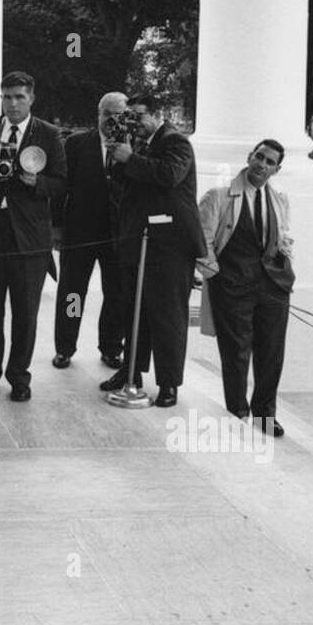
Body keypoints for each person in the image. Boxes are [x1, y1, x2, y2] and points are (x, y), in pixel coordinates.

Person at [0, 71, 67, 402]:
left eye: (19, 97)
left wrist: (35, 183)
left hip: (30, 241)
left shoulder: (49, 135)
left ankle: (19, 377)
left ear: (31, 98)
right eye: (7, 97)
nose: (12, 103)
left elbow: (62, 184)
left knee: (25, 314)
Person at [100, 95, 205, 407]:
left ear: (157, 115)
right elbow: (122, 181)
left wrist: (130, 158)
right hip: (138, 239)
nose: (134, 122)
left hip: (170, 245)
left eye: (139, 116)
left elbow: (168, 176)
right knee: (134, 310)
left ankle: (169, 382)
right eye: (129, 116)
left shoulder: (177, 142)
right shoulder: (140, 142)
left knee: (168, 315)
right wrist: (116, 156)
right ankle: (131, 371)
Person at [196, 139, 294, 437]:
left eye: (269, 162)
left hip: (273, 287)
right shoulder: (219, 196)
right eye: (259, 157)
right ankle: (237, 410)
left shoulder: (280, 199)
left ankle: (265, 415)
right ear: (249, 157)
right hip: (232, 286)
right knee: (236, 351)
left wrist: (287, 265)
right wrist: (215, 275)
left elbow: (284, 238)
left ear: (276, 169)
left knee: (271, 352)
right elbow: (202, 241)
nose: (261, 165)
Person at [51, 93, 126, 372]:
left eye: (119, 115)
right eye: (108, 114)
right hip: (79, 233)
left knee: (116, 294)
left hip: (118, 235)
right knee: (73, 293)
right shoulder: (77, 144)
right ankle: (65, 348)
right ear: (98, 114)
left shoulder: (133, 147)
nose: (112, 120)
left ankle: (110, 348)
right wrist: (56, 226)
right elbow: (61, 188)